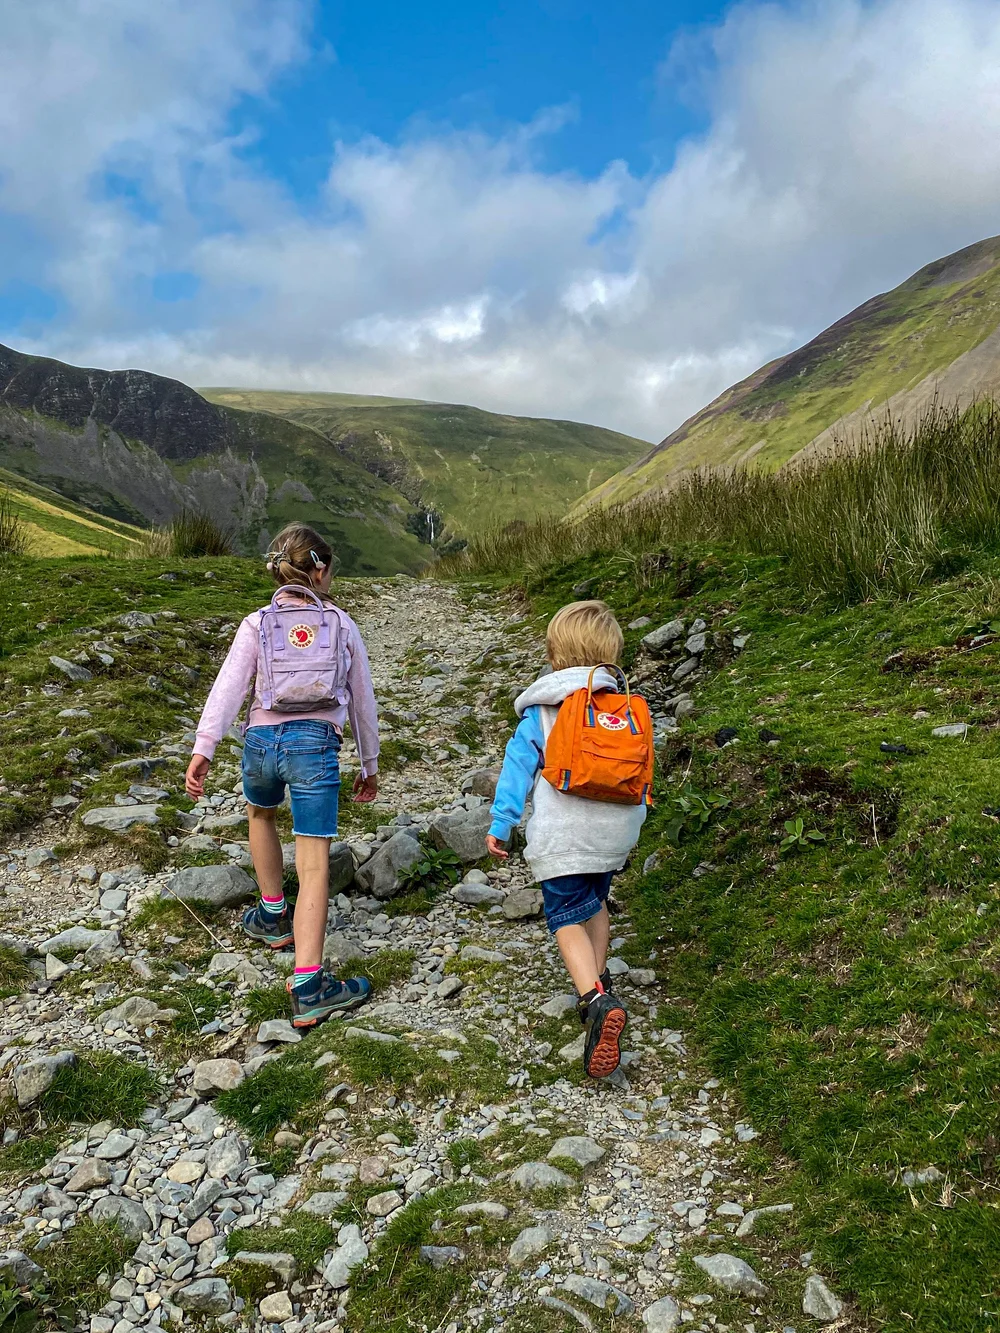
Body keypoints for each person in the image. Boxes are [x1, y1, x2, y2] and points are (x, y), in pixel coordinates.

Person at [184, 522, 379, 1029]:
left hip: (260, 743)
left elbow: (229, 688)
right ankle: (310, 984)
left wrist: (204, 747)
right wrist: (369, 763)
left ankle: (273, 914)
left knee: (260, 814)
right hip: (314, 746)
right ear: (320, 570)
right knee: (314, 864)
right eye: (331, 568)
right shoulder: (340, 623)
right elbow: (362, 700)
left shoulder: (257, 623)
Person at [486, 600, 647, 1077]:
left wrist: (502, 823)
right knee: (595, 901)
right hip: (616, 833)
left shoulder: (541, 712)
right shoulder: (623, 708)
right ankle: (598, 981)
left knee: (562, 915)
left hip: (565, 837)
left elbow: (517, 771)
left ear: (555, 655)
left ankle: (595, 1002)